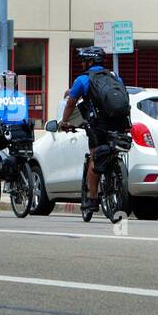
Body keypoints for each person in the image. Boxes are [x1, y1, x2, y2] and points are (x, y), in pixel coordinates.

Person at [59, 46, 131, 203]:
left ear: (90, 61)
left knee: (95, 157)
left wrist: (64, 122)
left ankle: (92, 199)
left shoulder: (82, 79)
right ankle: (116, 174)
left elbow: (70, 105)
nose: (81, 64)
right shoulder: (114, 77)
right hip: (119, 122)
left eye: (83, 61)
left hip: (98, 125)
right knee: (112, 151)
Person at [0, 71, 33, 178]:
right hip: (24, 132)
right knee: (20, 152)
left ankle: (1, 169)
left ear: (1, 83)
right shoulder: (23, 97)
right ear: (15, 83)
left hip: (7, 133)